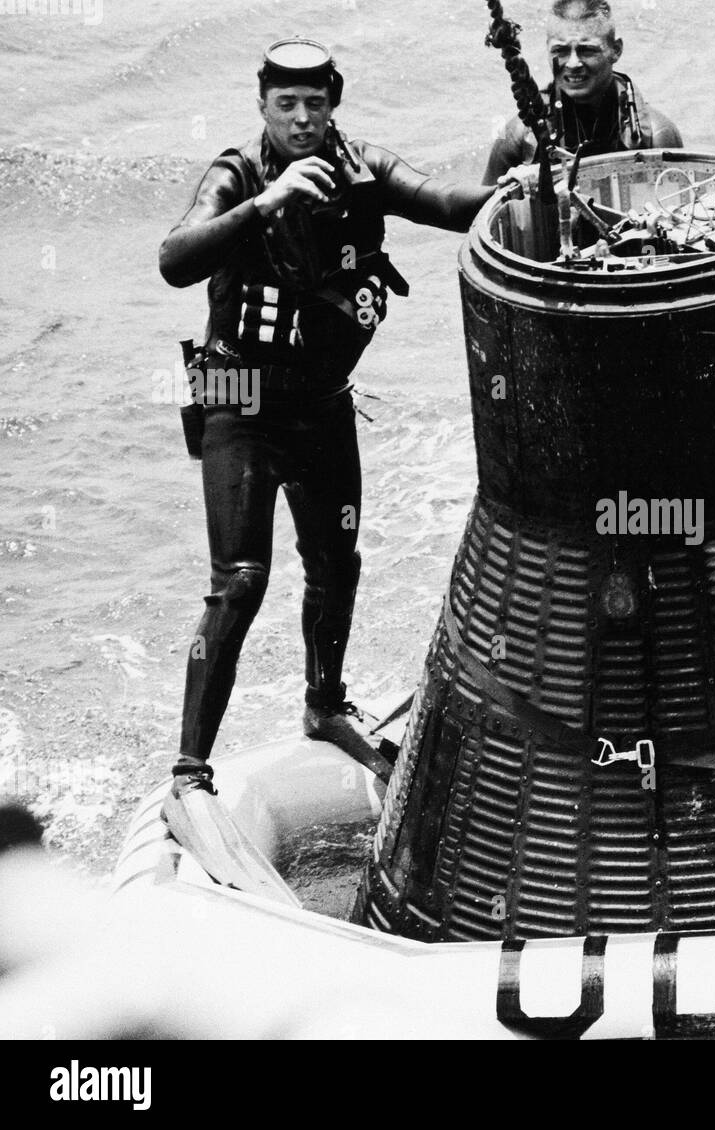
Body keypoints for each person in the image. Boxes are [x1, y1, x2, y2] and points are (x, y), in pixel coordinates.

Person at [158, 38, 498, 825]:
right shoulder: (237, 174)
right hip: (238, 402)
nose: (303, 119)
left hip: (320, 403)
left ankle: (325, 706)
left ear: (333, 104)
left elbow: (445, 203)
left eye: (317, 104)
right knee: (241, 579)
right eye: (287, 106)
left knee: (336, 562)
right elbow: (174, 259)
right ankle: (189, 766)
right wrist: (264, 206)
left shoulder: (361, 168)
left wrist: (509, 191)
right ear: (264, 107)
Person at [481, 0, 682, 185]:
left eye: (587, 50)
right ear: (547, 50)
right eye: (560, 51)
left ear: (616, 50)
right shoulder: (517, 136)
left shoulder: (657, 136)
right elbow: (476, 215)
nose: (573, 63)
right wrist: (507, 189)